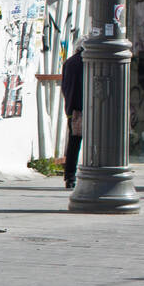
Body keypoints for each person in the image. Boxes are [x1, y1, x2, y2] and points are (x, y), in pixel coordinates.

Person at [60, 38, 84, 190]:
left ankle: (70, 176)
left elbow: (65, 87)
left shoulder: (69, 62)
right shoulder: (88, 62)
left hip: (73, 110)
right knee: (92, 144)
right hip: (87, 108)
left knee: (74, 143)